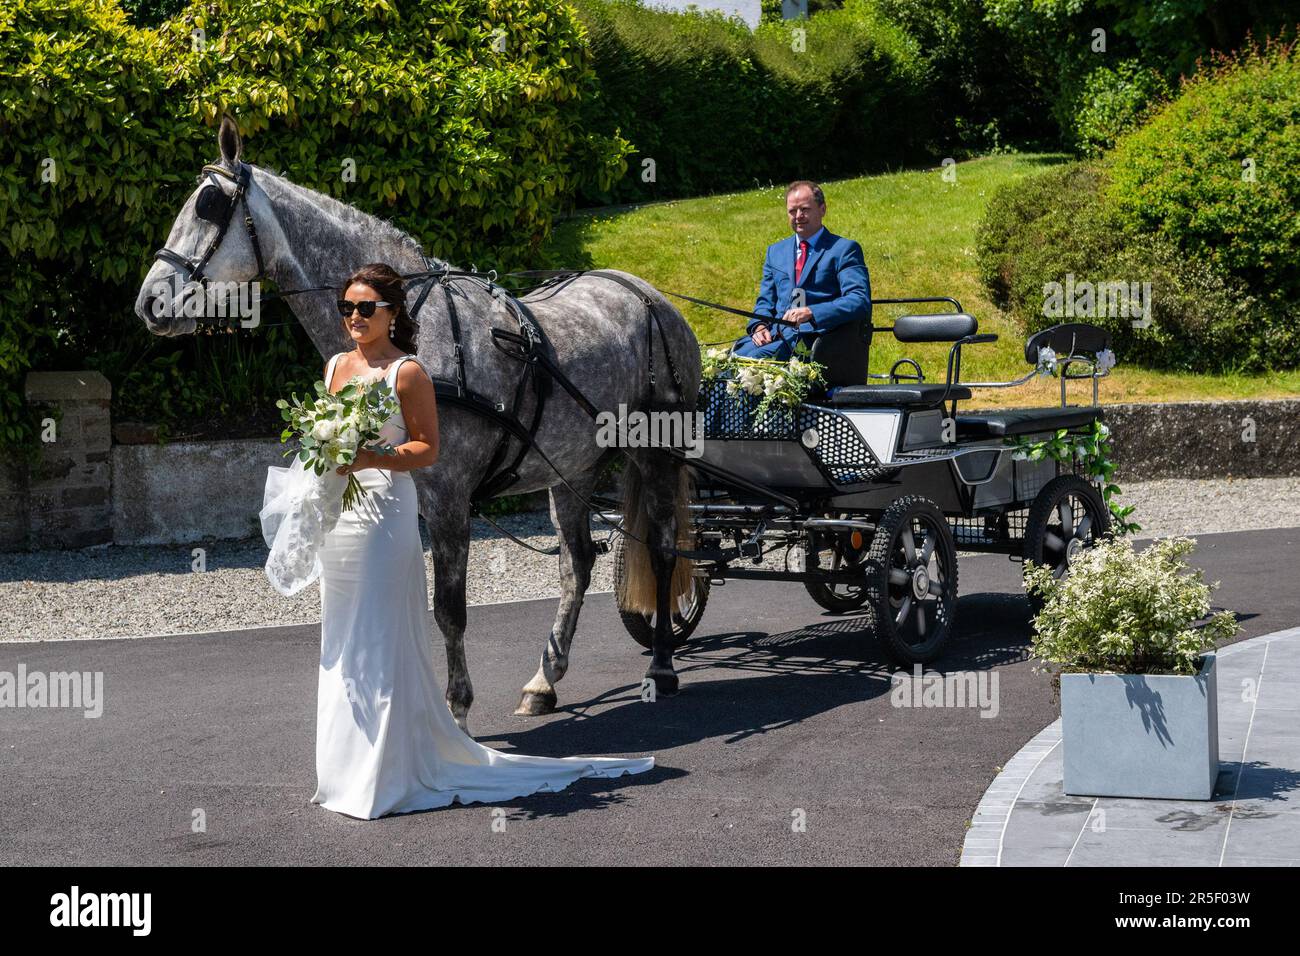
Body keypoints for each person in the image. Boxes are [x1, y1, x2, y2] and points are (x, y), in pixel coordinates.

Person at [308, 262, 654, 819]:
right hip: (344, 520)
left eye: (366, 308)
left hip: (387, 514)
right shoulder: (334, 368)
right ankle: (345, 767)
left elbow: (428, 450)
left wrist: (372, 457)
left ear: (392, 313)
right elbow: (322, 436)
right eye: (346, 307)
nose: (354, 317)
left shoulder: (409, 373)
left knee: (382, 631)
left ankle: (394, 765)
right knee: (343, 639)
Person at [732, 180, 871, 360]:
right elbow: (765, 302)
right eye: (792, 211)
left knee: (750, 362)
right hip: (776, 337)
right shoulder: (775, 252)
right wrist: (760, 326)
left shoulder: (843, 250)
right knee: (724, 362)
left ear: (822, 209)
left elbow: (859, 300)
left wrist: (812, 312)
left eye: (805, 209)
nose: (798, 216)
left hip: (819, 341)